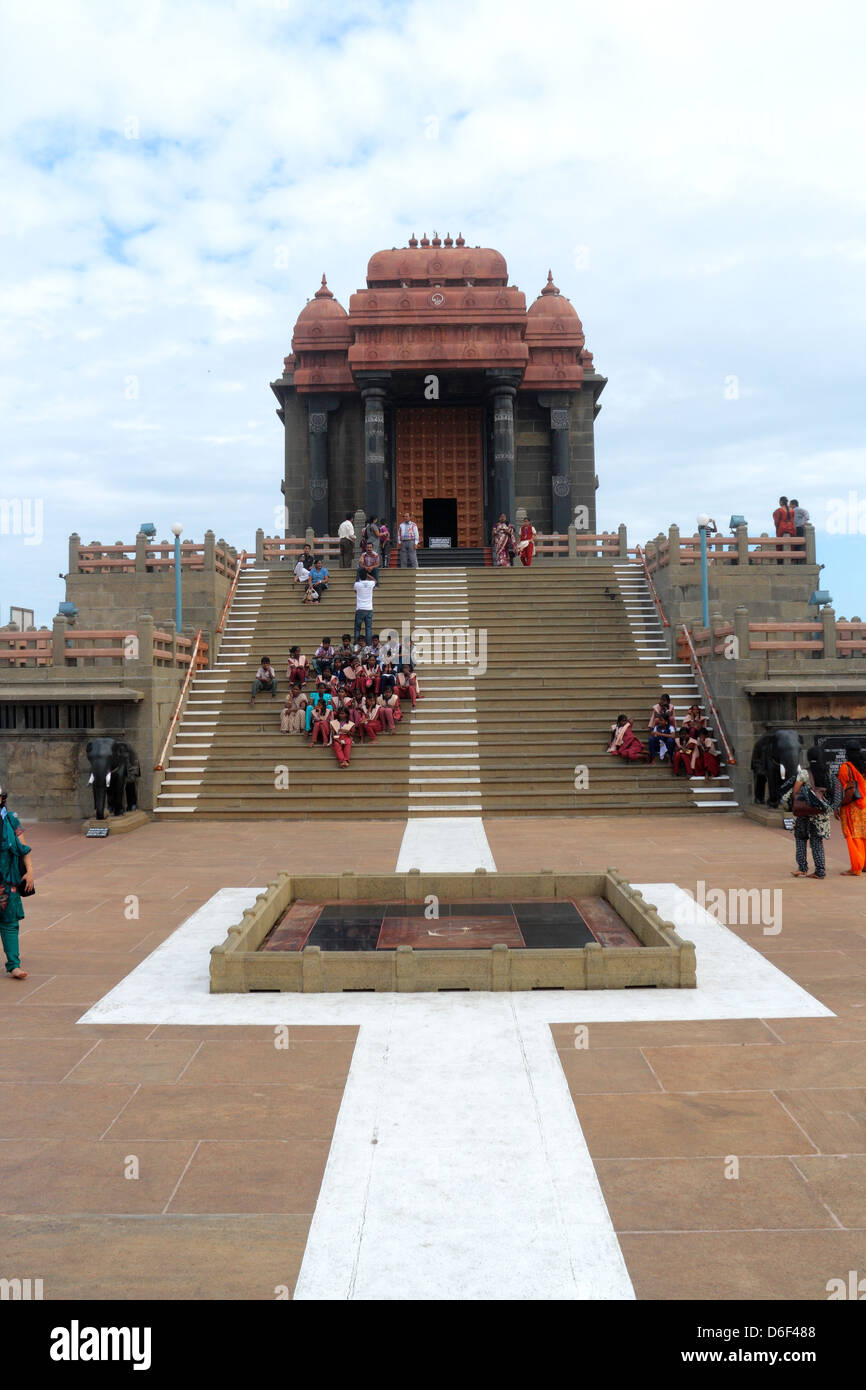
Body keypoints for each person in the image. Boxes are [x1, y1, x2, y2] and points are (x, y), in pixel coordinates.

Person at [0, 786, 34, 981]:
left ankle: (14, 965)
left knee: (10, 922)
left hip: (7, 879)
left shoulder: (11, 820)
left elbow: (23, 848)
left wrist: (30, 871)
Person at [781, 755, 831, 879]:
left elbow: (796, 790)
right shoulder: (827, 772)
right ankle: (820, 871)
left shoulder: (804, 773)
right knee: (817, 841)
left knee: (800, 838)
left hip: (805, 812)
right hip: (820, 813)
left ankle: (802, 868)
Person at [835, 743, 866, 876]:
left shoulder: (845, 768)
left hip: (851, 807)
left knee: (854, 836)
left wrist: (836, 806)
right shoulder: (864, 766)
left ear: (847, 752)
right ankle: (864, 865)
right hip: (864, 804)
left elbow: (841, 790)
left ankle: (856, 867)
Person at [353, 574, 375, 647]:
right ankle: (369, 646)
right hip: (369, 609)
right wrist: (369, 575)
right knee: (368, 629)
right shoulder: (371, 583)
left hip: (360, 608)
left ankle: (356, 645)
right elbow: (375, 580)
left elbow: (355, 591)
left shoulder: (357, 584)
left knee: (357, 629)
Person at [773, 495, 795, 563]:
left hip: (782, 527)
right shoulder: (792, 510)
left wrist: (777, 527)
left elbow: (777, 521)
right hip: (791, 527)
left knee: (780, 543)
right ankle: (792, 559)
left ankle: (780, 560)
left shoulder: (779, 510)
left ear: (781, 502)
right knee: (792, 544)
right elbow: (793, 520)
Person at [790, 498, 809, 563]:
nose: (789, 506)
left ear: (793, 504)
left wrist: (805, 522)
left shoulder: (797, 509)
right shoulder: (793, 510)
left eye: (790, 504)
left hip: (798, 528)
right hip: (796, 528)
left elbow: (806, 513)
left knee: (797, 544)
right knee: (797, 544)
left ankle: (796, 560)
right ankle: (796, 560)